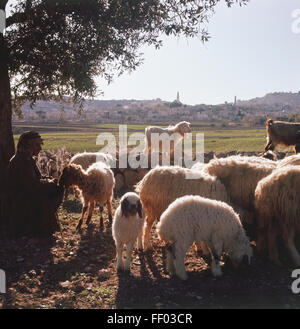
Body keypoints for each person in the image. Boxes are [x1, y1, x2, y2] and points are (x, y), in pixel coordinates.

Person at [6, 131, 64, 238]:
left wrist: (49, 181)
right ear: (28, 145)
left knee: (56, 187)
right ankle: (38, 228)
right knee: (57, 189)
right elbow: (32, 186)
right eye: (37, 145)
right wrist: (51, 184)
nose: (39, 148)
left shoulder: (26, 159)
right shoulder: (22, 161)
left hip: (26, 196)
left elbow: (35, 181)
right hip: (23, 201)